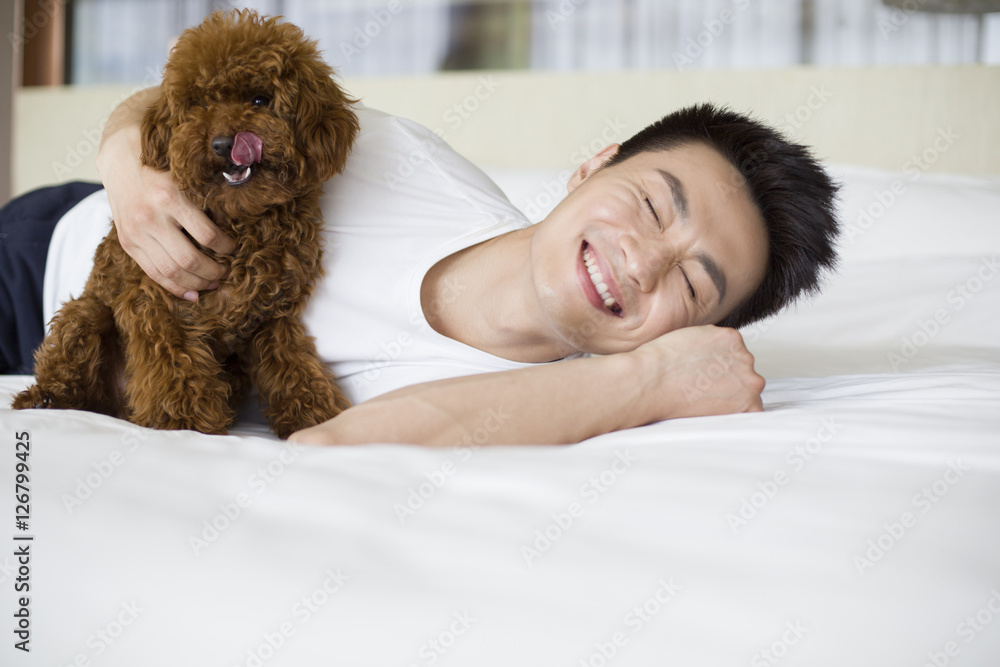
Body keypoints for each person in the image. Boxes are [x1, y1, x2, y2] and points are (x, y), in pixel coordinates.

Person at [4, 86, 838, 446]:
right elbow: (184, 97)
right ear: (595, 166)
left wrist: (651, 382)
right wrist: (125, 163)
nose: (641, 264)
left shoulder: (545, 409)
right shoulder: (403, 158)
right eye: (654, 206)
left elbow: (330, 452)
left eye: (693, 286)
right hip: (50, 251)